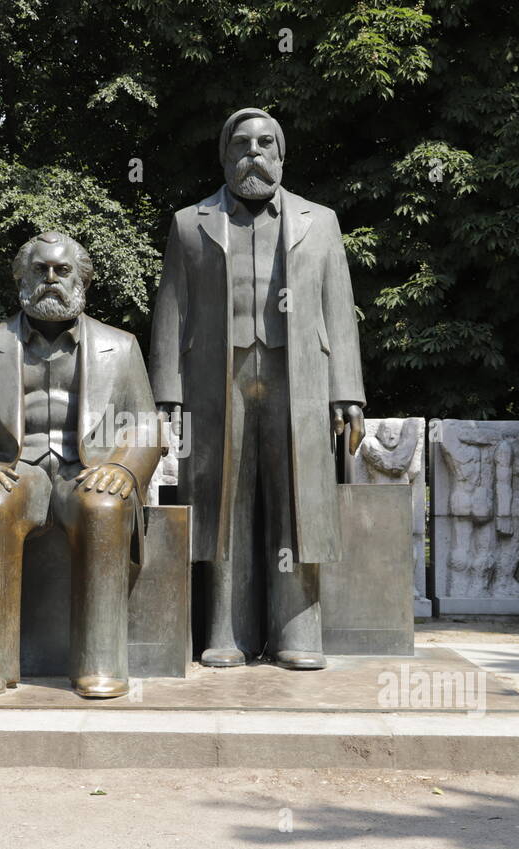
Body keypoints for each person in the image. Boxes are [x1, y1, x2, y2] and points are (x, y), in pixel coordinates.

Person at [148, 108, 366, 670]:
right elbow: (172, 307)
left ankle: (297, 631)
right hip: (214, 378)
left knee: (299, 501)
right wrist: (165, 393)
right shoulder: (188, 222)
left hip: (301, 375)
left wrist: (349, 391)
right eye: (241, 144)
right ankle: (226, 631)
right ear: (224, 155)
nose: (253, 152)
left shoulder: (321, 221)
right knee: (219, 502)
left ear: (282, 154)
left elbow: (339, 309)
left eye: (265, 143)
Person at [0, 231, 162, 699]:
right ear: (20, 278)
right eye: (39, 270)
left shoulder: (120, 346)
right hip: (15, 468)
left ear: (81, 278)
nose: (50, 279)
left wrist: (124, 469)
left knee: (104, 507)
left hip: (86, 471)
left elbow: (146, 425)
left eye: (61, 270)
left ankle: (100, 663)